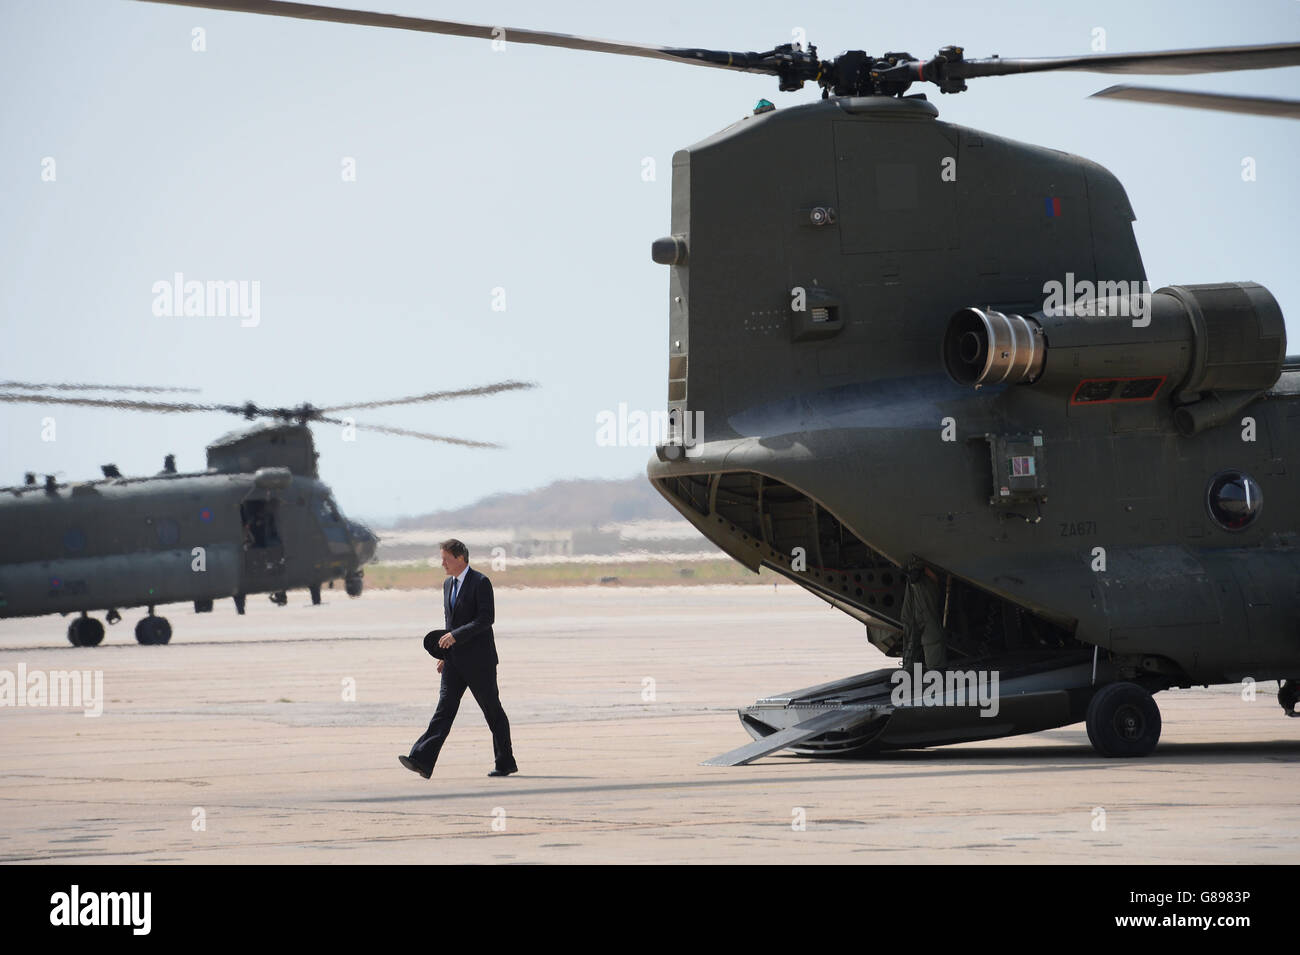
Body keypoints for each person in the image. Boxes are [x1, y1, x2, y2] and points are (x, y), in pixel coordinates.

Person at [399, 539, 518, 779]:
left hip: (479, 662)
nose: (442, 563)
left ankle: (505, 762)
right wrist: (445, 653)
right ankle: (422, 759)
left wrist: (455, 636)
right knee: (444, 710)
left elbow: (485, 619)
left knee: (492, 710)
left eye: (446, 558)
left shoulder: (481, 582)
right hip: (454, 661)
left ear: (460, 558)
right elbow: (450, 623)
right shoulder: (447, 584)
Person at [900, 558, 947, 671]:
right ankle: (910, 670)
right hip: (914, 572)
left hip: (924, 572)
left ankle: (936, 671)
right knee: (909, 621)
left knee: (928, 626)